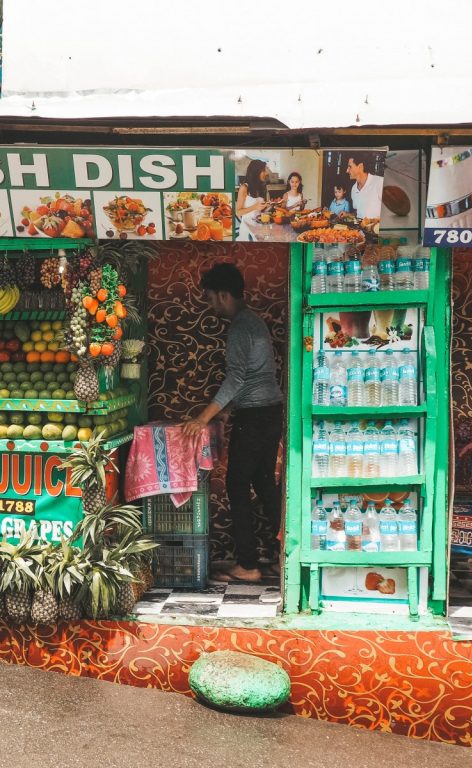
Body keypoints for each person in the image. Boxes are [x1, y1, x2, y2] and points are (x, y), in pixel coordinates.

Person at [182, 263, 284, 583]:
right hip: (270, 412)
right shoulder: (253, 322)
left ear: (224, 295)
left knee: (237, 486)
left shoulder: (240, 326)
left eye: (212, 298)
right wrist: (227, 411)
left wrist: (202, 418)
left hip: (254, 418)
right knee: (266, 485)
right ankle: (286, 557)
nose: (212, 305)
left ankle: (248, 565)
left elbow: (237, 378)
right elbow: (253, 377)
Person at [235, 159, 271, 241]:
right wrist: (255, 207)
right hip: (247, 229)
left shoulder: (261, 187)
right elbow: (238, 212)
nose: (266, 173)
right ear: (256, 172)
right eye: (263, 171)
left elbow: (261, 210)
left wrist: (269, 205)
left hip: (259, 229)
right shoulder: (244, 188)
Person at [346, 153, 384, 218]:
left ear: (360, 166)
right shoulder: (354, 189)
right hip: (359, 227)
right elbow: (359, 211)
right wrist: (349, 215)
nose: (347, 171)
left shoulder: (379, 182)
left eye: (350, 167)